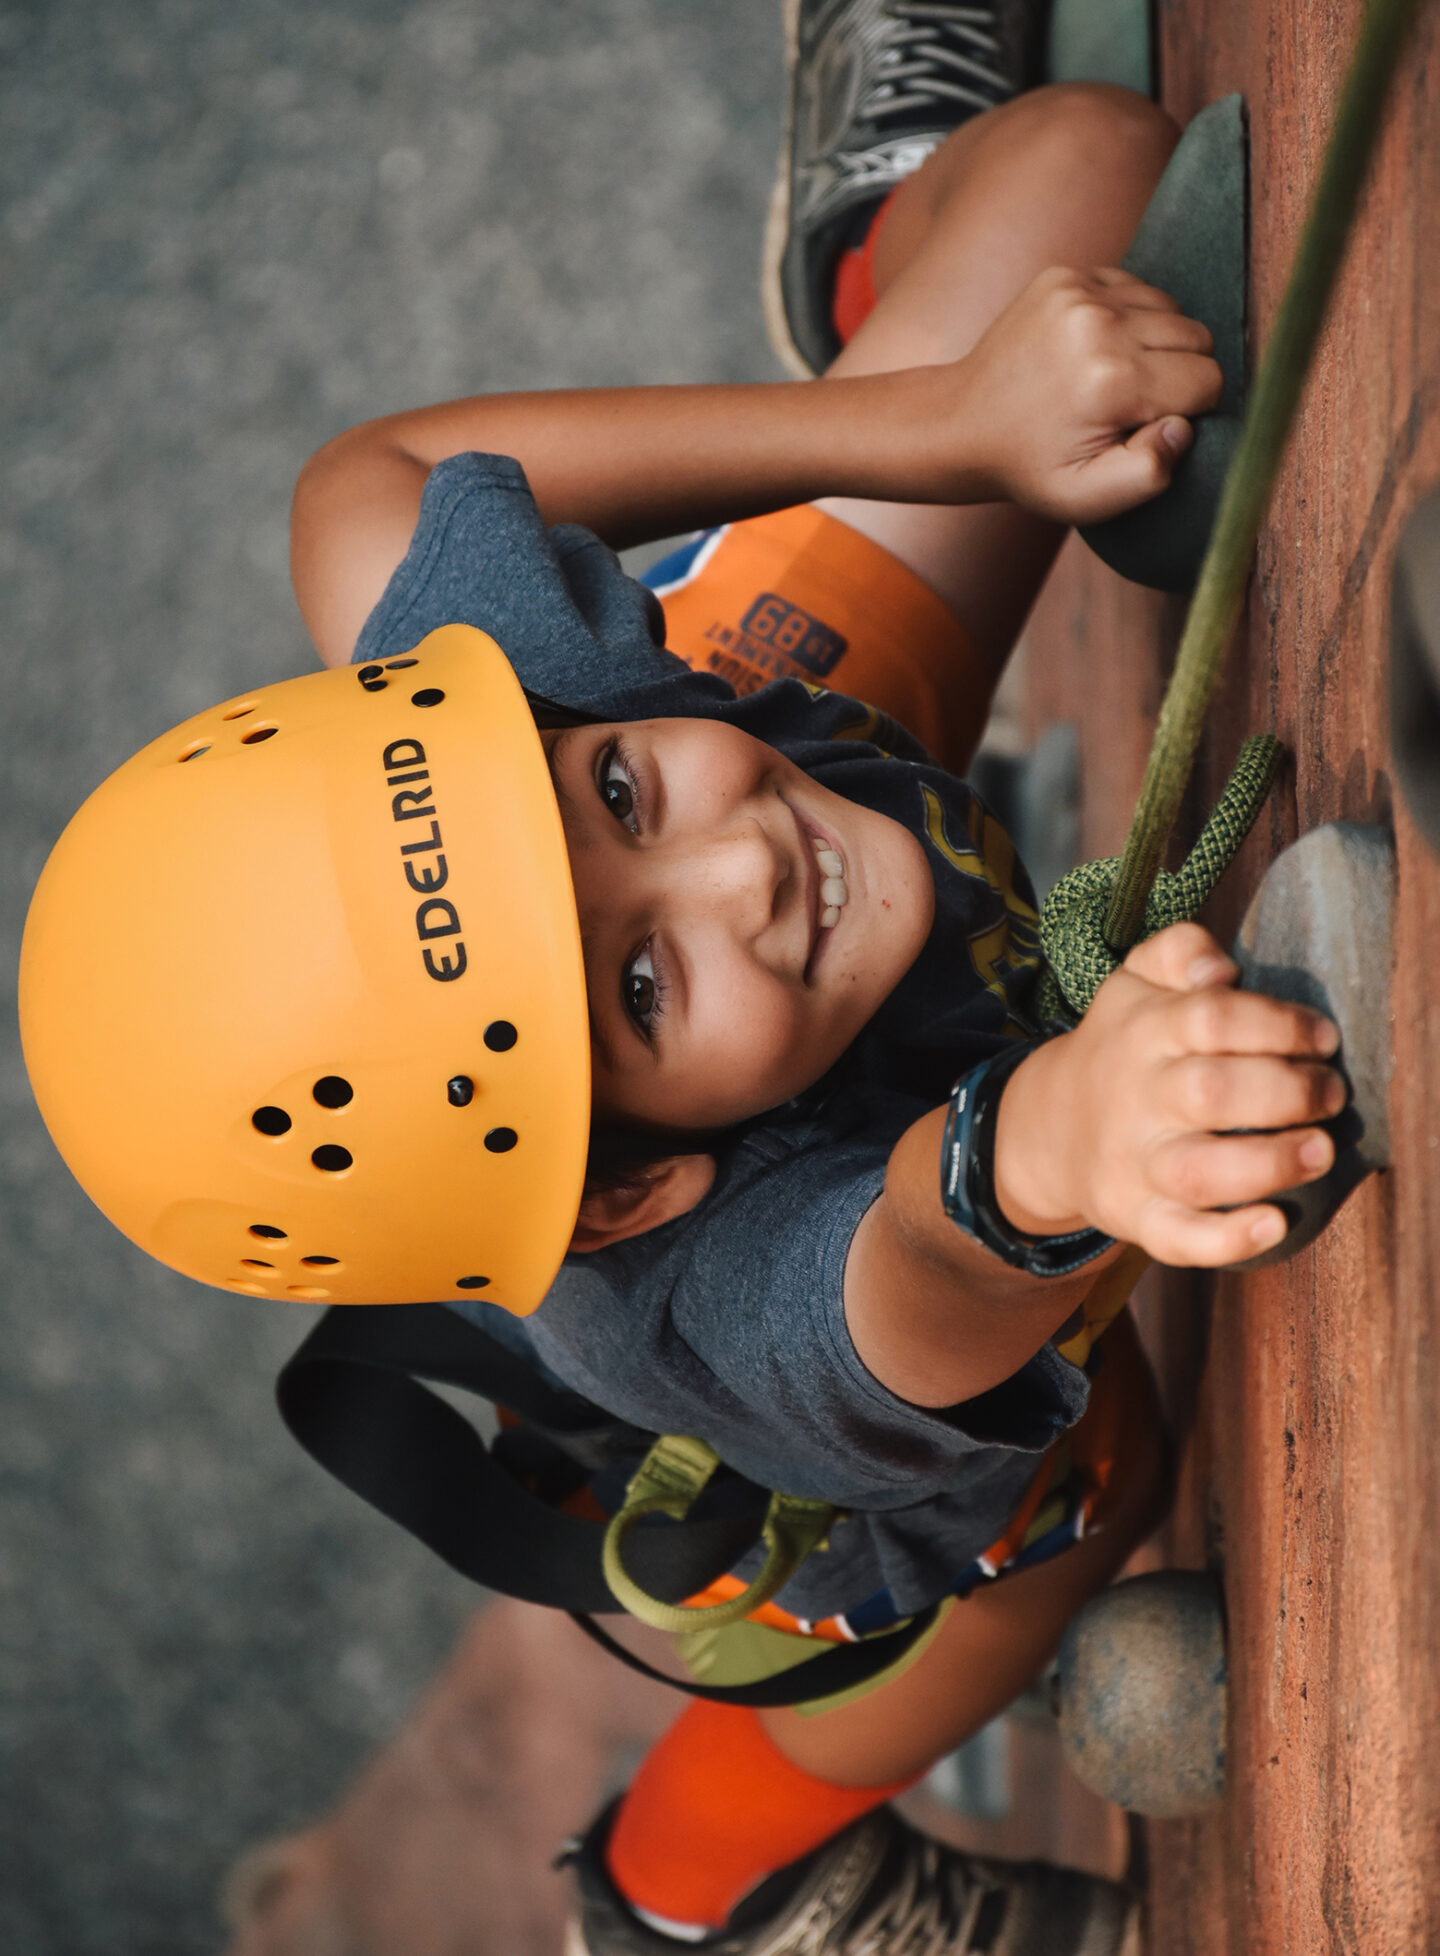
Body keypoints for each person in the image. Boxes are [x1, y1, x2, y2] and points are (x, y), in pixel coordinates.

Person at [27, 16, 1344, 1956]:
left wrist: (943, 420)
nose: (733, 859)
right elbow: (916, 1270)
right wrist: (1058, 1147)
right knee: (1092, 1473)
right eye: (637, 981)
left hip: (844, 809)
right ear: (630, 1181)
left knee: (1084, 173)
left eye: (617, 791)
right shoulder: (699, 1299)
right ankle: (692, 1896)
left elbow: (369, 483)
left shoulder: (575, 779)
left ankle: (876, 243)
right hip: (846, 1429)